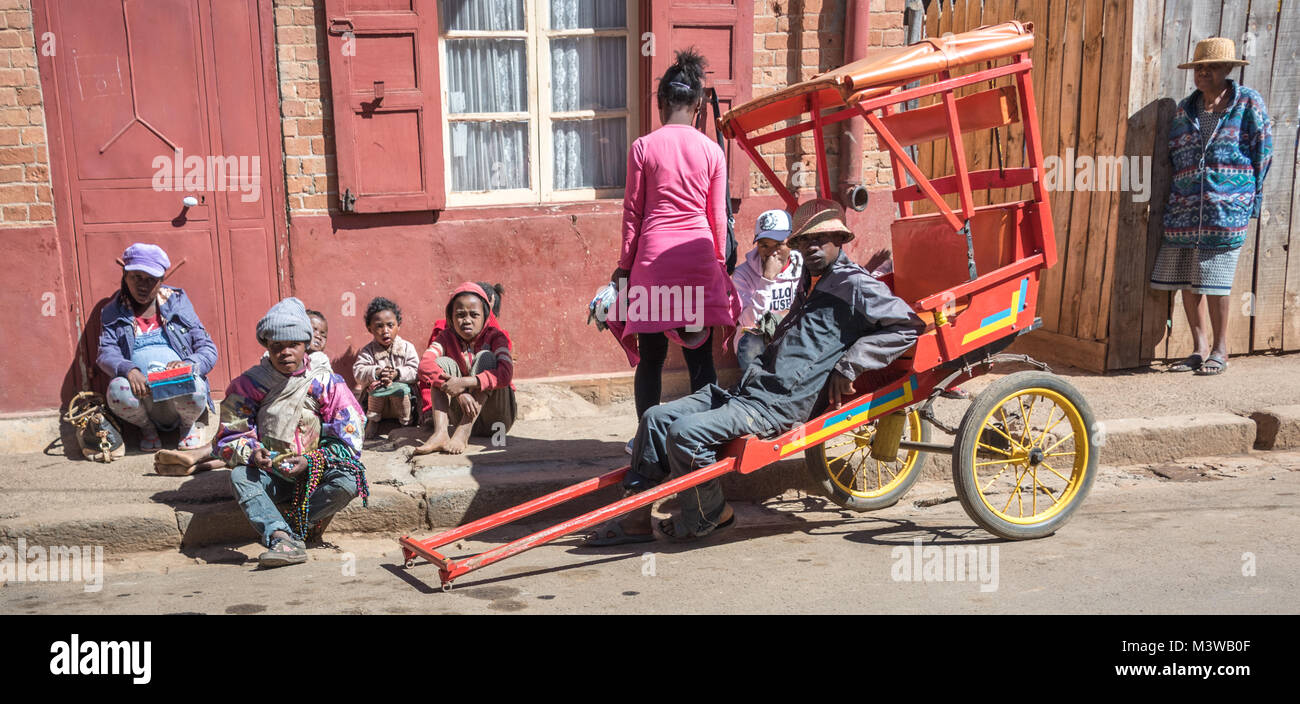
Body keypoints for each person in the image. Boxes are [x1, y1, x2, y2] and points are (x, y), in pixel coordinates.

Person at [585, 200, 925, 545]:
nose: (811, 248)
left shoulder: (857, 285)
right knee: (656, 418)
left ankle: (710, 515)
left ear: (840, 238)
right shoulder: (811, 282)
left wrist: (849, 364)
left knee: (685, 434)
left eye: (820, 239)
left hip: (778, 404)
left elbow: (908, 325)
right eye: (804, 241)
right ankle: (635, 518)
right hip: (752, 389)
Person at [610, 48, 741, 453]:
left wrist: (623, 267)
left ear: (661, 102)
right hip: (698, 259)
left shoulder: (643, 147)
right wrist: (717, 264)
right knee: (700, 360)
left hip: (653, 262)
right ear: (699, 104)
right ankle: (706, 440)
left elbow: (633, 214)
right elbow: (717, 217)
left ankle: (646, 444)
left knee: (651, 358)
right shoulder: (712, 151)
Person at [1150, 37, 1272, 376]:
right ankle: (1198, 348)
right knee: (1190, 281)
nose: (1203, 72)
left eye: (1212, 67)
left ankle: (1221, 349)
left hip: (1225, 208)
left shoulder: (1247, 103)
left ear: (1228, 69)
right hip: (1186, 208)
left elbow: (1264, 152)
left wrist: (1250, 197)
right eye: (1199, 67)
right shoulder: (1186, 109)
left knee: (1216, 281)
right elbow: (1175, 155)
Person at [217, 297, 369, 568]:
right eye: (277, 345)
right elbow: (228, 437)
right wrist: (253, 453)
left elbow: (351, 435)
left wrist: (312, 460)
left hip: (314, 472)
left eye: (293, 344)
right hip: (271, 472)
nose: (285, 351)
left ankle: (290, 527)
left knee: (349, 481)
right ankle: (280, 537)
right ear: (267, 345)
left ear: (305, 344)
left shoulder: (326, 383)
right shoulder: (248, 385)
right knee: (240, 476)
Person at [98, 243, 218, 452]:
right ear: (125, 276)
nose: (143, 286)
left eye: (151, 280)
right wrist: (129, 370)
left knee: (195, 383)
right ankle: (147, 428)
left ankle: (188, 427)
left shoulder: (178, 304)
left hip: (179, 398)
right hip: (144, 399)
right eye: (136, 277)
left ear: (162, 281)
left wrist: (187, 365)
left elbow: (207, 348)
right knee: (117, 388)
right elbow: (106, 353)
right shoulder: (112, 312)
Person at [411, 282, 517, 456]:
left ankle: (464, 431)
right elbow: (424, 366)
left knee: (487, 358)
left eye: (474, 315)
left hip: (496, 420)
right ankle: (441, 433)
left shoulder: (496, 337)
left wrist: (464, 382)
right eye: (460, 315)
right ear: (451, 318)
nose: (467, 320)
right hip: (459, 413)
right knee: (442, 363)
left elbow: (505, 374)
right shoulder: (446, 337)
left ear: (485, 316)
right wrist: (459, 392)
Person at [731, 208, 803, 369]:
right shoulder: (743, 274)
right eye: (764, 246)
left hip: (792, 336)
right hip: (759, 342)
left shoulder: (803, 267)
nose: (771, 253)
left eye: (779, 245)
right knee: (751, 338)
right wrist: (767, 280)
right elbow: (748, 322)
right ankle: (754, 389)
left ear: (791, 243)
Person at [353, 297, 420, 439]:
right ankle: (373, 421)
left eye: (390, 325)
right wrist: (376, 372)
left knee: (401, 389)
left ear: (399, 325)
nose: (385, 331)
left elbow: (416, 371)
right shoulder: (368, 351)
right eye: (379, 326)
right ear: (370, 328)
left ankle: (406, 423)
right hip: (379, 404)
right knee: (375, 388)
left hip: (401, 401)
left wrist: (397, 374)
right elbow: (358, 372)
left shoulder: (407, 348)